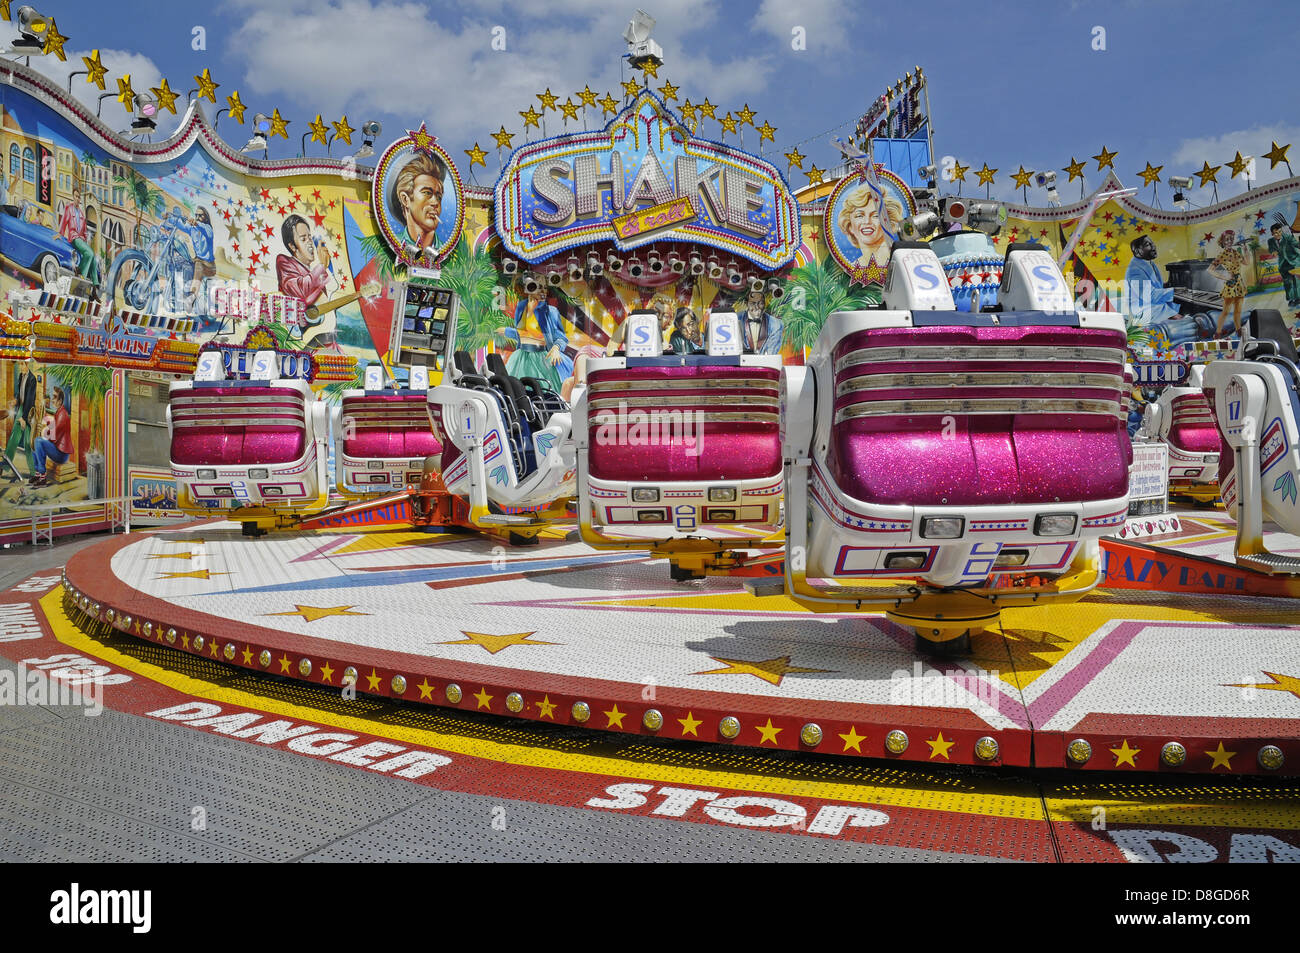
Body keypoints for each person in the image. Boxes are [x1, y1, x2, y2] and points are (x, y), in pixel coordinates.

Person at [496, 282, 572, 393]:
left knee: (545, 391)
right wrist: (507, 331)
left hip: (541, 359)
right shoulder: (521, 307)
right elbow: (523, 334)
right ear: (530, 288)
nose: (544, 291)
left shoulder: (551, 311)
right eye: (539, 287)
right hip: (521, 357)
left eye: (545, 288)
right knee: (516, 391)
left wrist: (556, 348)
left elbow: (561, 337)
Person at [389, 150, 446, 262]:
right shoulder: (396, 242)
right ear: (405, 199)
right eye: (427, 193)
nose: (435, 202)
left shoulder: (445, 249)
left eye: (439, 196)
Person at [276, 213, 332, 323]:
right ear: (292, 246)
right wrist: (322, 266)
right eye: (303, 239)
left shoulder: (313, 273)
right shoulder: (284, 262)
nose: (310, 242)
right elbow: (299, 292)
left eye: (310, 237)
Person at [836, 184, 902, 265]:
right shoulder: (855, 265)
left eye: (875, 216)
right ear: (850, 226)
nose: (867, 221)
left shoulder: (896, 261)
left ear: (889, 224)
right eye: (859, 215)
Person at [1123, 235, 1181, 324]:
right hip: (1141, 309)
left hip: (1152, 304)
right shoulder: (1135, 269)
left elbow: (1156, 287)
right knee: (1182, 320)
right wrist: (1175, 292)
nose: (1153, 247)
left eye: (1152, 243)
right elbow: (1148, 295)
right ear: (1138, 250)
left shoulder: (1148, 262)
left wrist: (1173, 290)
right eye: (1147, 245)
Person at [58, 185, 100, 285]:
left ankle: (95, 284)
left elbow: (84, 230)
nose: (77, 198)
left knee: (93, 257)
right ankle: (81, 276)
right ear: (73, 197)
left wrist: (86, 241)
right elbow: (64, 222)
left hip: (81, 239)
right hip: (74, 237)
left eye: (79, 197)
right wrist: (60, 234)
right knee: (90, 253)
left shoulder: (81, 213)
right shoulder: (69, 208)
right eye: (76, 196)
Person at [30, 386, 71, 488]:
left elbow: (54, 436)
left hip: (61, 454)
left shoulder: (62, 415)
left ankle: (43, 478)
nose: (52, 400)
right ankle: (38, 474)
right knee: (34, 443)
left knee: (38, 441)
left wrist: (43, 429)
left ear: (60, 400)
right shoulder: (59, 412)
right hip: (57, 449)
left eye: (54, 397)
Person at [1211, 230, 1246, 336]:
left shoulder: (1236, 253)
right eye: (1227, 239)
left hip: (1239, 284)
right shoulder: (1222, 255)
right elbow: (1210, 269)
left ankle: (1238, 330)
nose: (1230, 241)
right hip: (1230, 285)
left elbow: (1246, 262)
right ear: (1223, 241)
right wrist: (1224, 277)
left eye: (1231, 239)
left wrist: (1245, 250)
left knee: (1238, 310)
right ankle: (1218, 332)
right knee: (1226, 311)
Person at [185, 206, 216, 311]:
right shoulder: (193, 229)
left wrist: (196, 223)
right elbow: (181, 226)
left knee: (198, 265)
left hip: (208, 265)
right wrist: (169, 218)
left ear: (206, 217)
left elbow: (202, 228)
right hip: (198, 260)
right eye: (196, 215)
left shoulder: (208, 229)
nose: (197, 217)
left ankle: (191, 298)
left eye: (200, 215)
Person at [739, 287, 783, 355]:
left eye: (761, 303)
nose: (757, 307)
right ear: (746, 303)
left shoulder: (776, 324)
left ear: (765, 304)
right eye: (753, 303)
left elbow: (771, 352)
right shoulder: (736, 319)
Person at [2, 396, 34, 482]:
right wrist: (16, 400)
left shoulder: (32, 381)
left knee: (28, 443)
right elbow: (22, 393)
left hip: (30, 409)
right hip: (22, 408)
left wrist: (24, 417)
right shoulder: (21, 381)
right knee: (13, 439)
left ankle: (33, 472)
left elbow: (30, 398)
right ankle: (4, 466)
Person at [1268, 223, 1300, 307]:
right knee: (1287, 282)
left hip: (1294, 261)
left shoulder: (1288, 237)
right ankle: (1291, 299)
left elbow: (1296, 244)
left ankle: (1298, 298)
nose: (1278, 234)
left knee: (1296, 281)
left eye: (1280, 231)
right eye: (1276, 233)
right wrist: (1273, 252)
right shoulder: (1270, 241)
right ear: (1272, 234)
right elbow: (1271, 249)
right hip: (1283, 264)